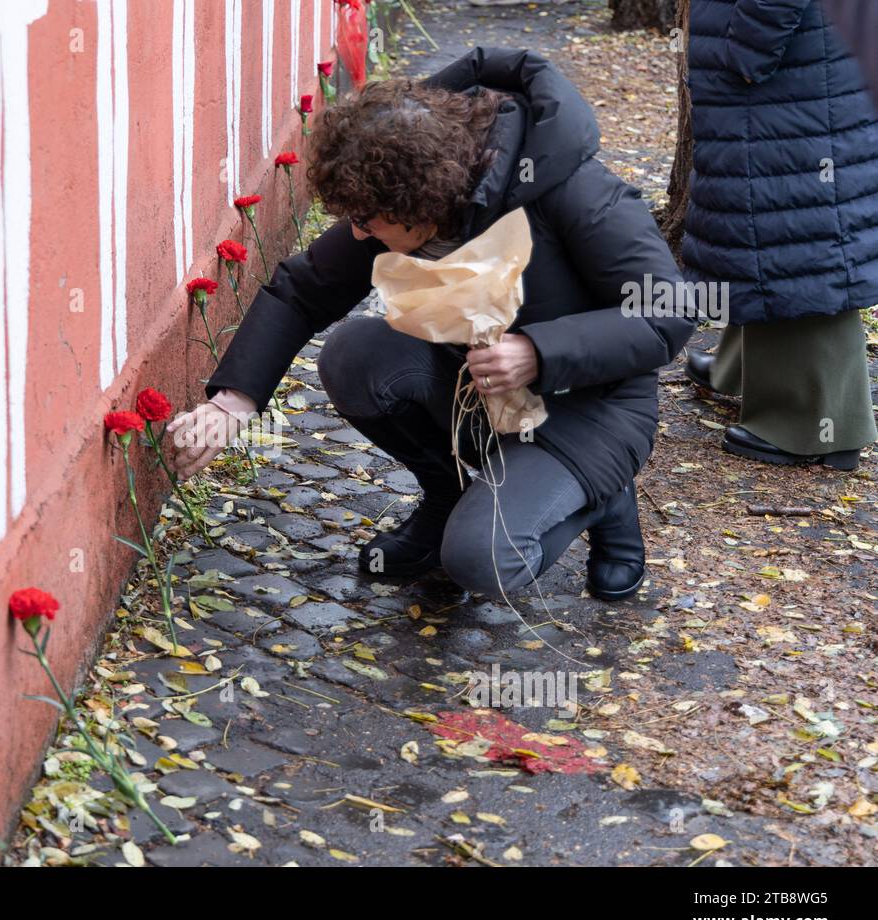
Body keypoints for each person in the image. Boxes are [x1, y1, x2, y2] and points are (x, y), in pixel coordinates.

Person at [170, 48, 697, 602]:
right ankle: (446, 497)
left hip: (590, 408)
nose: (356, 234)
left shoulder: (577, 190)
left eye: (366, 220)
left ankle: (604, 496)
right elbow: (302, 290)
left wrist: (540, 351)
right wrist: (233, 401)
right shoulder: (396, 206)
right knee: (354, 354)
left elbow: (669, 312)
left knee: (481, 562)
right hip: (477, 388)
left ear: (420, 206)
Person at [683, 0, 878, 468]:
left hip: (784, 53)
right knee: (765, 218)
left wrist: (749, 46)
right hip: (798, 45)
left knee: (801, 225)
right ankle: (750, 370)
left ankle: (816, 421)